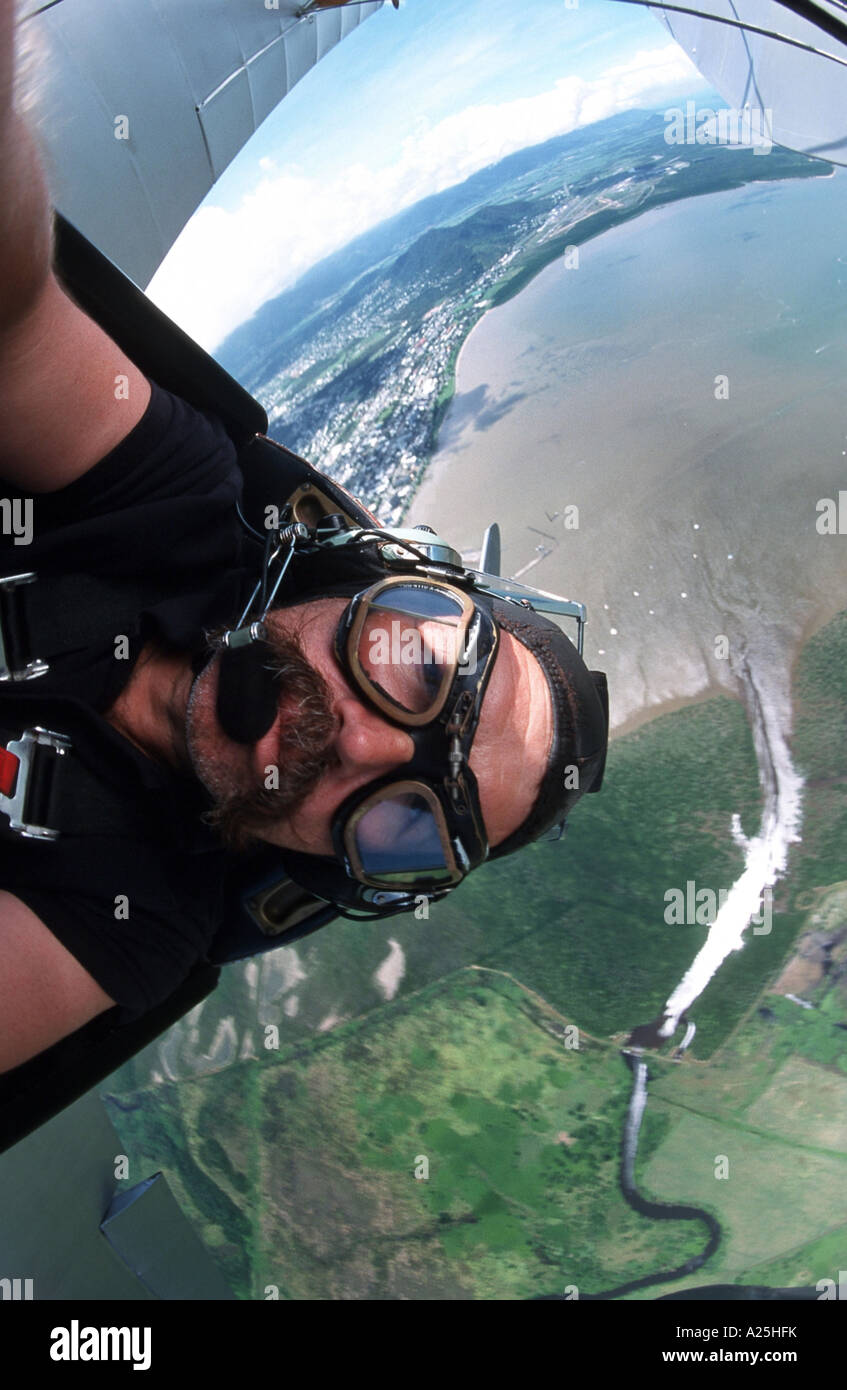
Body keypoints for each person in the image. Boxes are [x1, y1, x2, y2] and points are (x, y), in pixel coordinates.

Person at [0, 0, 607, 1076]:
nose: (367, 744)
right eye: (418, 663)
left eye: (409, 824)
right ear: (363, 581)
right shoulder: (174, 499)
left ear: (336, 867)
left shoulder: (131, 920)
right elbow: (12, 316)